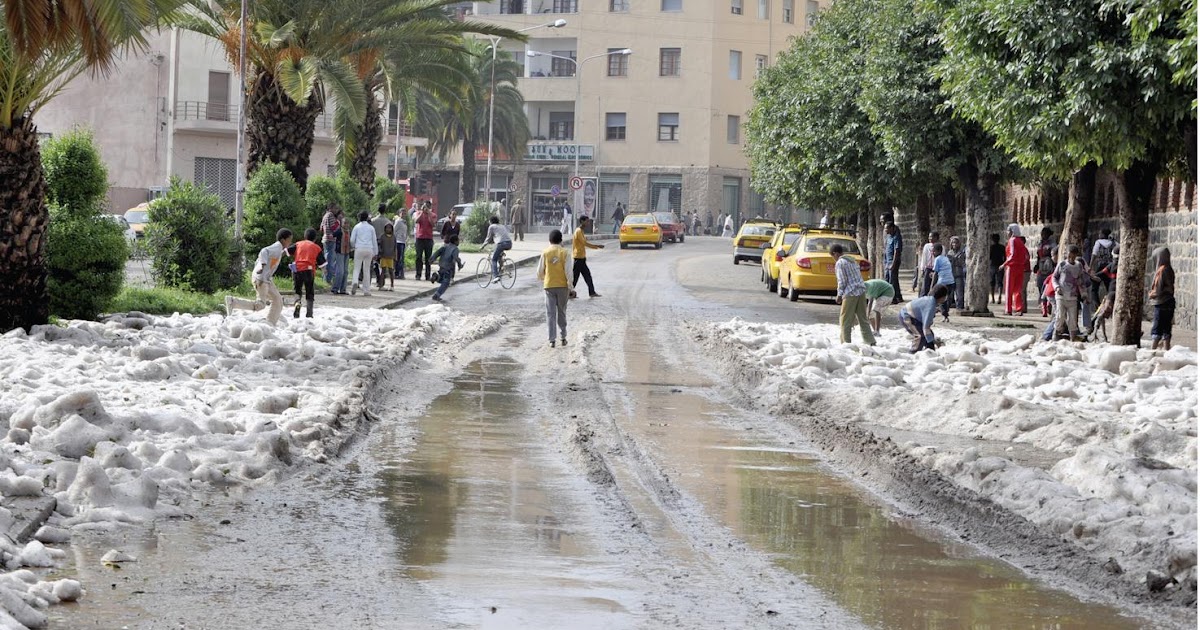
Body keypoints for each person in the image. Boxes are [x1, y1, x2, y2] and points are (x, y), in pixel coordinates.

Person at [225, 228, 292, 325]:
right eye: (289, 239)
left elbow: (269, 258)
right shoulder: (277, 247)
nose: (290, 242)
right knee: (260, 305)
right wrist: (262, 266)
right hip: (261, 279)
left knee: (278, 300)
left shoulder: (279, 249)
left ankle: (270, 323)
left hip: (266, 279)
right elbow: (264, 251)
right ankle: (233, 302)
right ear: (283, 240)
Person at [832, 243, 876, 346]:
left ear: (835, 254)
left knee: (845, 319)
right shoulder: (852, 260)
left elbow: (842, 281)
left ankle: (845, 342)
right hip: (861, 291)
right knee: (863, 318)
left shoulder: (840, 263)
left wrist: (839, 294)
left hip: (850, 293)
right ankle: (870, 340)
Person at [537, 229, 574, 348]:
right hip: (563, 287)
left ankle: (552, 340)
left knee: (550, 313)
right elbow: (569, 272)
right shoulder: (565, 253)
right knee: (562, 312)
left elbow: (539, 272)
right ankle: (563, 337)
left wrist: (545, 278)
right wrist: (570, 286)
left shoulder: (545, 252)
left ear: (549, 240)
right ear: (561, 240)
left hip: (549, 286)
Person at [899, 284, 949, 353]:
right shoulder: (930, 306)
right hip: (906, 316)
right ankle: (913, 353)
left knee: (929, 335)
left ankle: (929, 352)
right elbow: (926, 328)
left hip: (911, 316)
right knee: (920, 336)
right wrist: (933, 342)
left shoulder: (931, 301)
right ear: (942, 297)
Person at [1052, 244, 1088, 341]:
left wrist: (1084, 294)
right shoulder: (1062, 265)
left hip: (1072, 297)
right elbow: (1054, 277)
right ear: (1066, 255)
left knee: (1073, 319)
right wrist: (1057, 287)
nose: (1071, 259)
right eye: (1069, 256)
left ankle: (1073, 337)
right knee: (1060, 316)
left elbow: (1081, 282)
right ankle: (1056, 334)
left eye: (1073, 257)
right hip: (1061, 296)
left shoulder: (1079, 266)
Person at [287, 228, 324, 319]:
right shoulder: (316, 247)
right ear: (315, 238)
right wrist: (324, 270)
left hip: (297, 270)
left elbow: (287, 251)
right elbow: (322, 263)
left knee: (297, 289)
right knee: (309, 291)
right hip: (309, 270)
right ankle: (309, 313)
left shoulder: (298, 244)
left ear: (304, 236)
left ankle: (297, 302)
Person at [572, 216, 605, 298]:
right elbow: (584, 243)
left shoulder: (581, 231)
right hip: (578, 258)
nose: (588, 223)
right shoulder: (578, 231)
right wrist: (596, 246)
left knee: (587, 276)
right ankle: (568, 292)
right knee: (575, 277)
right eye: (586, 221)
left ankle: (592, 292)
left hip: (581, 258)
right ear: (582, 221)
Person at [1000, 224, 1029, 315]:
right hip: (1020, 267)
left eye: (1008, 231)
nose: (1007, 233)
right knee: (1018, 289)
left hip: (1012, 267)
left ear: (1012, 232)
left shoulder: (1012, 240)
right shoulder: (1020, 242)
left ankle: (1008, 309)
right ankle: (1019, 308)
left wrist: (1004, 264)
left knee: (1009, 289)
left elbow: (1012, 254)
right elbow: (1026, 256)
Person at [1149, 247, 1175, 350]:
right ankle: (1166, 349)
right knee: (1166, 327)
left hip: (1161, 302)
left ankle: (1152, 350)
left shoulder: (1161, 270)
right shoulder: (1169, 269)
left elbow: (1158, 290)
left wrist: (1151, 294)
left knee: (1157, 327)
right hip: (1169, 301)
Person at [349, 211, 378, 296]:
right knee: (367, 269)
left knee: (357, 268)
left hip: (359, 248)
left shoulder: (356, 227)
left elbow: (352, 240)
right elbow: (374, 240)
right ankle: (366, 290)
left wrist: (354, 246)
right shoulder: (371, 228)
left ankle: (355, 282)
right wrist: (375, 252)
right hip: (369, 249)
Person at [430, 234, 464, 302]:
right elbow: (456, 258)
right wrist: (460, 265)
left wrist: (432, 258)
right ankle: (436, 295)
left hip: (441, 266)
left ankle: (436, 277)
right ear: (455, 241)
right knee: (446, 283)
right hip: (448, 268)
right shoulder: (455, 249)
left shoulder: (445, 246)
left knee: (441, 279)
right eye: (458, 241)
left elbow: (438, 252)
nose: (459, 242)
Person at [484, 215, 514, 281]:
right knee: (499, 256)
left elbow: (488, 238)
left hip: (501, 244)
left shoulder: (491, 226)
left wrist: (483, 246)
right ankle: (501, 269)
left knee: (493, 259)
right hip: (509, 243)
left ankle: (496, 276)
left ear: (491, 221)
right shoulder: (502, 226)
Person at [1035, 227, 1056, 317]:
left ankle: (1048, 306)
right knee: (1040, 286)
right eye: (1042, 234)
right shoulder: (1040, 243)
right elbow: (1038, 255)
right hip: (1041, 266)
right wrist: (1036, 265)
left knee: (1047, 287)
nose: (1042, 235)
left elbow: (1054, 255)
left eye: (1044, 234)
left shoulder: (1052, 244)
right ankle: (1043, 307)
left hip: (1049, 267)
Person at [931, 243, 955, 321]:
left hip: (943, 281)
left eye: (934, 251)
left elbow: (935, 273)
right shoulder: (945, 258)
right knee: (945, 299)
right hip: (951, 281)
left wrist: (932, 286)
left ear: (939, 251)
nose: (932, 253)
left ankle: (939, 313)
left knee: (937, 298)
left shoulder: (937, 259)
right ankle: (943, 314)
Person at [413, 202, 435, 281]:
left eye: (428, 207)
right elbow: (416, 221)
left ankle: (427, 275)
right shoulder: (418, 213)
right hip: (420, 238)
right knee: (418, 257)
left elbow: (433, 224)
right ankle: (418, 274)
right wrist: (422, 212)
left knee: (428, 258)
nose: (427, 208)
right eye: (425, 206)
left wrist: (428, 214)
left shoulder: (432, 215)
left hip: (428, 238)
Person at [883, 221, 904, 304]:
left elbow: (897, 251)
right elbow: (886, 249)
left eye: (886, 228)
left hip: (893, 261)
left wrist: (893, 264)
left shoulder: (896, 237)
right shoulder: (888, 237)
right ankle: (897, 296)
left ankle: (893, 298)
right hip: (887, 261)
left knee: (892, 281)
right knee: (888, 279)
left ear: (892, 228)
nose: (885, 230)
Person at [332, 209, 350, 295]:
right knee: (340, 271)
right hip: (340, 252)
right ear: (341, 223)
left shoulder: (349, 231)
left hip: (347, 252)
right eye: (344, 223)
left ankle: (343, 289)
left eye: (347, 223)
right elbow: (332, 234)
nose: (346, 225)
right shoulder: (339, 231)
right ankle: (335, 288)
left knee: (346, 271)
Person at [319, 203, 339, 283]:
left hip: (325, 239)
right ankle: (328, 279)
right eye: (335, 208)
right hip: (330, 239)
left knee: (326, 258)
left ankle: (324, 278)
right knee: (330, 260)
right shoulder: (330, 215)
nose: (336, 210)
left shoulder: (325, 216)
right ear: (331, 208)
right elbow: (334, 227)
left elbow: (321, 228)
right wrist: (338, 222)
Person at [917, 232, 939, 297]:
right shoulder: (927, 246)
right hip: (928, 268)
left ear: (936, 238)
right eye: (929, 237)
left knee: (935, 284)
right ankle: (923, 298)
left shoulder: (940, 246)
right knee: (925, 285)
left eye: (932, 237)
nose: (930, 238)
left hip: (936, 269)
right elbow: (924, 257)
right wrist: (922, 268)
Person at [947, 236, 966, 311]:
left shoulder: (962, 253)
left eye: (956, 243)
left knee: (959, 293)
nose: (954, 244)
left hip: (959, 274)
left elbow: (962, 263)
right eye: (953, 243)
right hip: (951, 274)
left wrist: (956, 260)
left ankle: (960, 307)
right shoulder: (949, 253)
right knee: (950, 293)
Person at [377, 223, 397, 291]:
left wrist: (395, 256)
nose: (388, 229)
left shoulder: (393, 237)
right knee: (383, 271)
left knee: (391, 271)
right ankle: (381, 285)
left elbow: (395, 247)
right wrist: (380, 252)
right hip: (383, 256)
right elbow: (379, 245)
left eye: (390, 228)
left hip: (391, 257)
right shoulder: (382, 236)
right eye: (387, 228)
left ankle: (392, 285)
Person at [988, 233, 1005, 304]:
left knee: (992, 282)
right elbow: (1005, 257)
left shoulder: (991, 247)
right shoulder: (1002, 247)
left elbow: (989, 257)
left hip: (993, 265)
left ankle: (992, 298)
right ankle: (999, 297)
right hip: (1000, 265)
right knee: (999, 282)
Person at [392, 208, 408, 280]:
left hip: (403, 241)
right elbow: (394, 230)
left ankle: (400, 273)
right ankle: (397, 273)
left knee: (401, 258)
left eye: (404, 213)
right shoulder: (398, 221)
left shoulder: (404, 222)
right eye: (402, 213)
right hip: (398, 241)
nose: (403, 214)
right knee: (399, 258)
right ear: (399, 213)